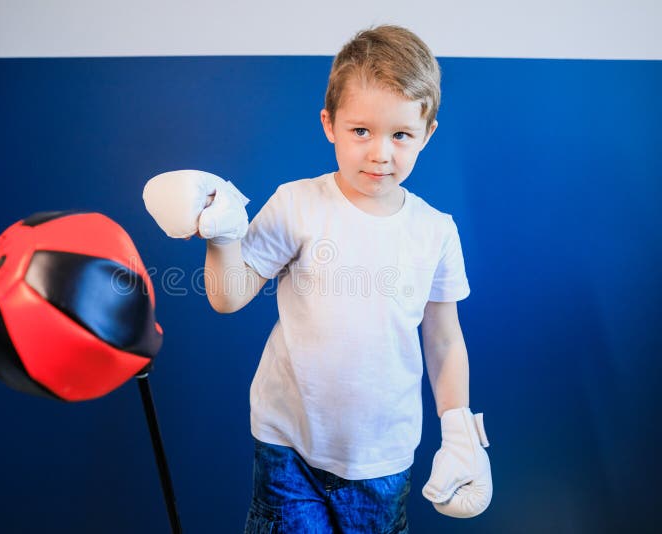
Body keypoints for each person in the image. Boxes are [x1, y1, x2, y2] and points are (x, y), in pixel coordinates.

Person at [143, 24, 492, 534]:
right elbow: (228, 297)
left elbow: (443, 337)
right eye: (360, 131)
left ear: (427, 132)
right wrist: (223, 238)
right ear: (329, 124)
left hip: (383, 456)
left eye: (400, 134)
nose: (380, 153)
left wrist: (458, 425)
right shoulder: (297, 204)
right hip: (288, 445)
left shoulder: (435, 231)